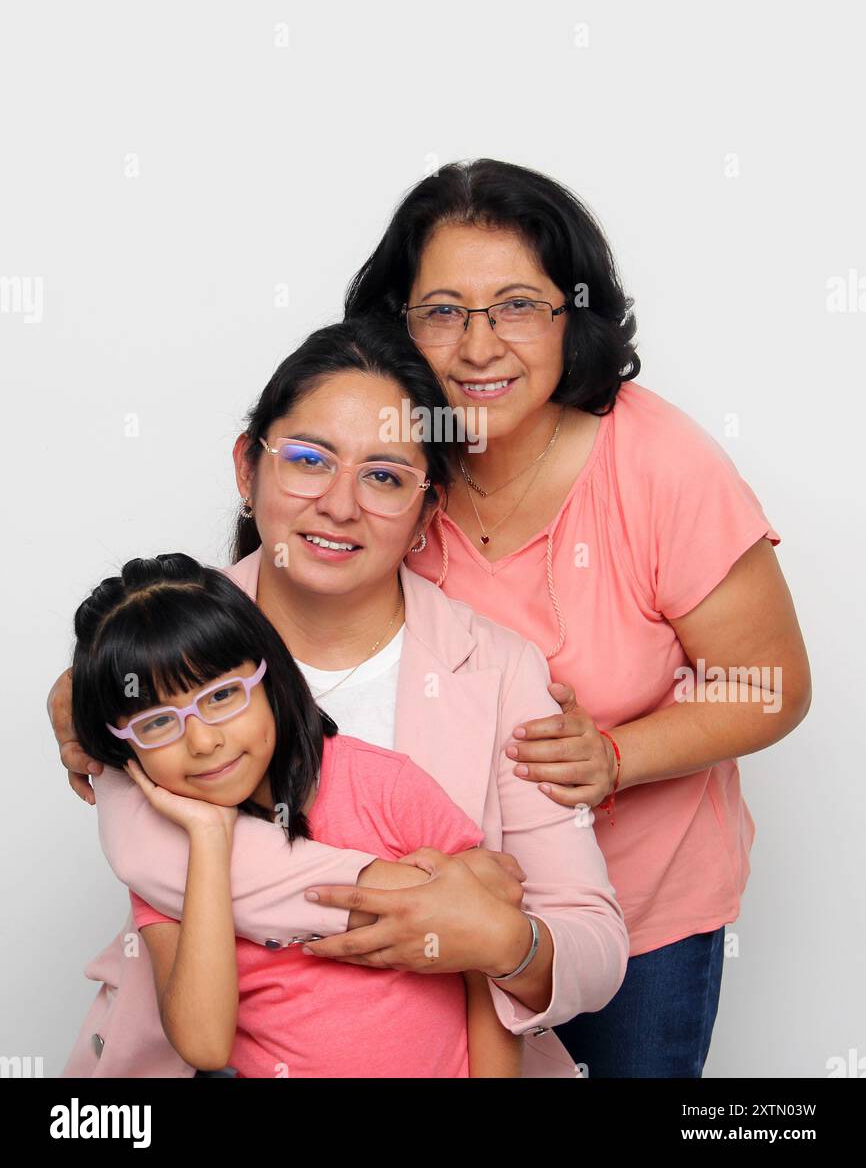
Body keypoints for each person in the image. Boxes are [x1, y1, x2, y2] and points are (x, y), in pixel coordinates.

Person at [52, 316, 628, 1079]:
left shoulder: (497, 670)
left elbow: (593, 942)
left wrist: (499, 940)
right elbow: (148, 847)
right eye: (307, 460)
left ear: (427, 510)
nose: (340, 503)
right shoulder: (157, 650)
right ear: (246, 469)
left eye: (385, 475)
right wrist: (412, 896)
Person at [341, 157, 813, 1077]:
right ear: (397, 325)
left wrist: (616, 756)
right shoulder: (391, 446)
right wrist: (107, 689)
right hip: (442, 906)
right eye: (442, 312)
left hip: (643, 917)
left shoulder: (659, 462)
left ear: (573, 316)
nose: (478, 348)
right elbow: (270, 594)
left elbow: (773, 687)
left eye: (518, 305)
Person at [71, 552, 523, 1078]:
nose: (202, 740)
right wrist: (210, 842)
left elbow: (485, 963)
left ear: (269, 672)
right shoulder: (165, 860)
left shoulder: (382, 784)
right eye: (155, 724)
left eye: (222, 696)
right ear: (127, 753)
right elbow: (205, 1044)